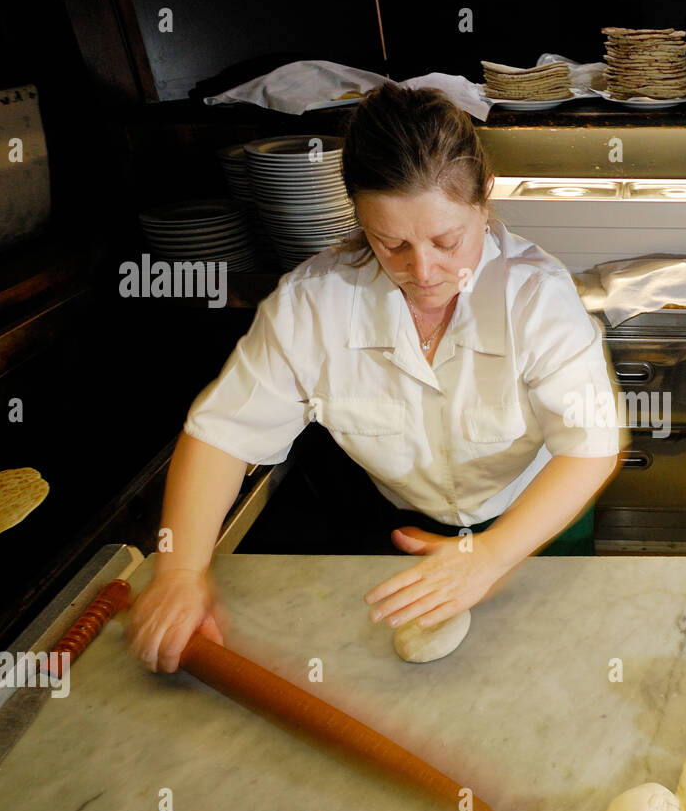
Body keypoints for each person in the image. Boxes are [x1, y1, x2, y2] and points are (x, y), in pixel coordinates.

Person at [127, 84, 620, 673]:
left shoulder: (535, 297)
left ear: (484, 201)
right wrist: (181, 572)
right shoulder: (314, 305)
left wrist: (490, 556)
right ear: (358, 216)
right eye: (392, 244)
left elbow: (591, 446)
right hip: (399, 528)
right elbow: (222, 435)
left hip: (537, 521)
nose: (424, 270)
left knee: (552, 673)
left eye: (447, 241)